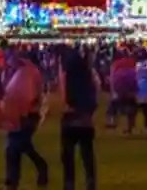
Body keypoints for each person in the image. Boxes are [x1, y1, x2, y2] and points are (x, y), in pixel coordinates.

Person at [1, 49, 48, 190]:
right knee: (19, 146)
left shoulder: (29, 72)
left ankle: (13, 180)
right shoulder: (17, 72)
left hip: (27, 115)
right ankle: (39, 168)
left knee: (14, 147)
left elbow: (31, 95)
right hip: (18, 114)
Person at [59, 47, 97, 190]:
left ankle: (69, 183)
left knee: (68, 154)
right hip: (86, 117)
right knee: (87, 152)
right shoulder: (88, 73)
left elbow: (64, 95)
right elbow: (96, 88)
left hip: (70, 117)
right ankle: (90, 181)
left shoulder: (67, 74)